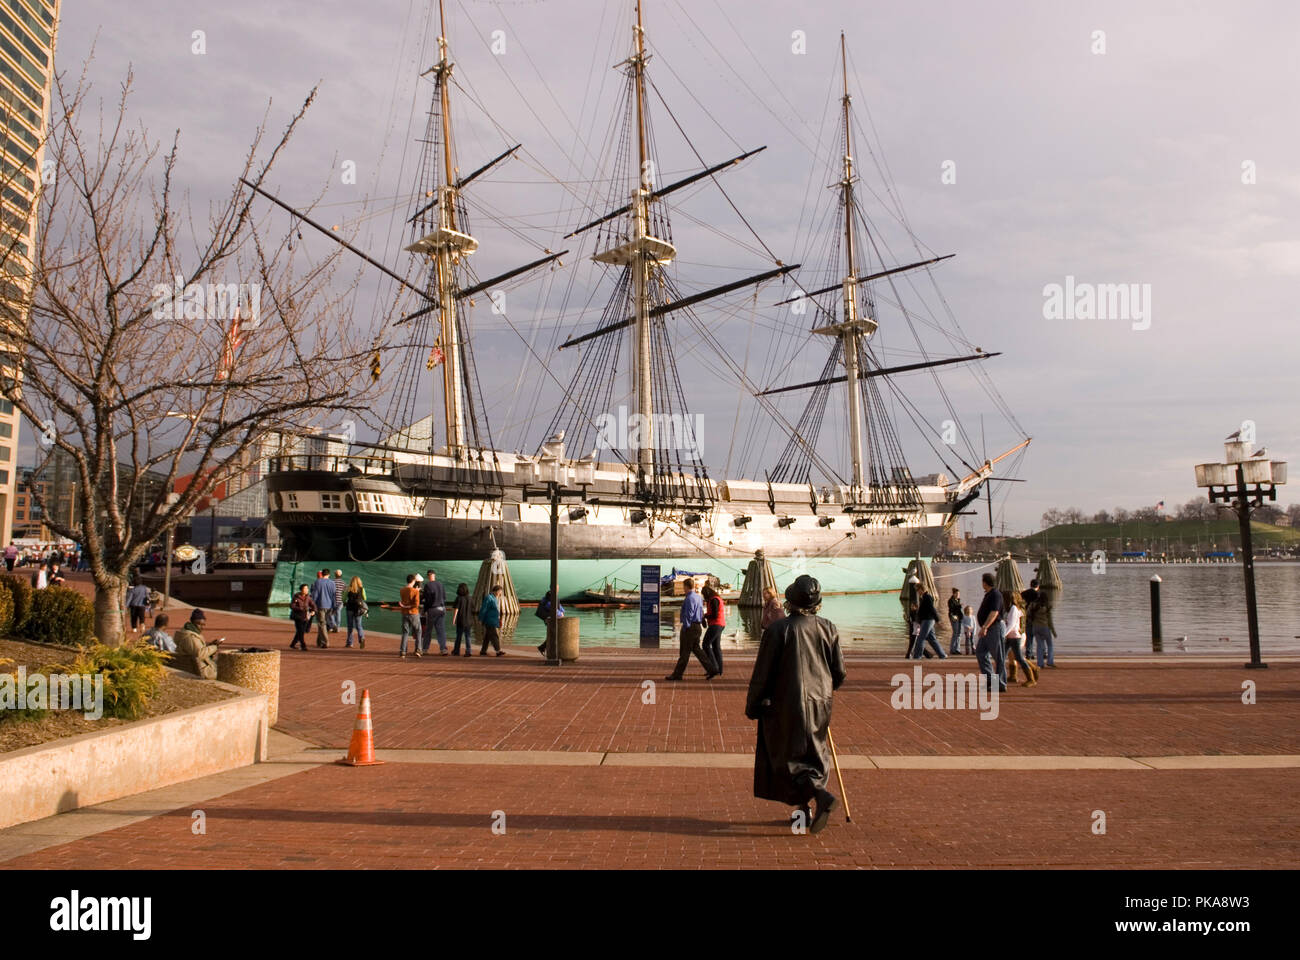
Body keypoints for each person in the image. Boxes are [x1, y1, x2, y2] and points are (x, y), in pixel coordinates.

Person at [745, 575, 846, 835]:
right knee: (814, 752)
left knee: (787, 758)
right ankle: (804, 810)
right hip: (821, 702)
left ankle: (820, 796)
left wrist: (753, 704)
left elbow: (763, 673)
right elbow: (840, 672)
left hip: (786, 704)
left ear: (790, 602)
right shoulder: (829, 627)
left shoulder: (778, 630)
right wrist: (826, 688)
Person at [664, 577, 718, 681]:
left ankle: (677, 674)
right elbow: (701, 611)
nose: (683, 589)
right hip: (697, 626)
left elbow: (689, 613)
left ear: (686, 586)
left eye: (683, 587)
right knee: (697, 649)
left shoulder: (689, 598)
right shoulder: (698, 597)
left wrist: (686, 626)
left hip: (690, 627)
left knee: (684, 651)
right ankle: (711, 669)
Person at [975, 573, 1007, 694]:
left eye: (982, 581)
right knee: (980, 652)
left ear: (985, 582)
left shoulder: (995, 594)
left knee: (998, 656)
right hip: (988, 629)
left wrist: (985, 626)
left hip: (994, 628)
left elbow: (994, 612)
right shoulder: (989, 594)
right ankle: (991, 680)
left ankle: (1001, 683)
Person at [174, 609, 221, 679]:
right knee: (225, 669)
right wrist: (214, 647)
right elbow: (200, 654)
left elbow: (197, 650)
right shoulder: (189, 637)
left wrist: (209, 646)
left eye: (203, 624)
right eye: (198, 624)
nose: (201, 627)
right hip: (202, 670)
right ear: (192, 622)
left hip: (196, 667)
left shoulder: (188, 633)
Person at [1003, 594, 1038, 687]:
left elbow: (1012, 624)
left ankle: (1031, 675)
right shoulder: (1015, 608)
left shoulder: (1014, 608)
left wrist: (1003, 634)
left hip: (1016, 636)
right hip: (1012, 636)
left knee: (1017, 657)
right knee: (1008, 656)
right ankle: (1012, 676)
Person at [909, 588, 947, 659]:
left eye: (918, 589)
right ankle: (942, 654)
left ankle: (917, 656)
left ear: (922, 589)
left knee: (921, 638)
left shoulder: (927, 597)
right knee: (931, 638)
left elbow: (932, 609)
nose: (917, 591)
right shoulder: (923, 598)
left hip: (928, 620)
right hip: (927, 620)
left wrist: (938, 620)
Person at [701, 583, 727, 677]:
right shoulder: (716, 598)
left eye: (704, 595)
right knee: (716, 647)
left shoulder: (714, 600)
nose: (704, 597)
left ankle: (713, 668)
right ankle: (719, 669)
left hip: (716, 625)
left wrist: (705, 615)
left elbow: (715, 615)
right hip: (720, 624)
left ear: (707, 594)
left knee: (705, 645)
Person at [421, 569, 447, 655]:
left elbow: (427, 600)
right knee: (441, 630)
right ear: (434, 575)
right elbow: (444, 597)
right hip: (442, 608)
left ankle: (425, 649)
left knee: (429, 630)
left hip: (432, 609)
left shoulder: (427, 585)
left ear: (428, 576)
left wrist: (424, 610)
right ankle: (443, 649)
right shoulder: (440, 584)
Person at [310, 569, 336, 648]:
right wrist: (334, 606)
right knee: (322, 623)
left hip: (320, 605)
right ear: (329, 574)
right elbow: (334, 595)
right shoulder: (332, 583)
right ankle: (319, 642)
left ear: (322, 574)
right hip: (329, 605)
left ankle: (325, 641)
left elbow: (315, 595)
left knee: (322, 624)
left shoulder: (318, 582)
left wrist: (312, 605)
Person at [398, 573, 422, 658]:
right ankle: (418, 650)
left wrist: (404, 606)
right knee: (418, 631)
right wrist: (417, 592)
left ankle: (403, 651)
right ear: (413, 581)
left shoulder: (402, 590)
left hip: (404, 613)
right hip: (413, 613)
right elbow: (416, 604)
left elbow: (405, 599)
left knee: (405, 632)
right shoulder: (415, 591)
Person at [478, 584, 505, 656]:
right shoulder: (489, 598)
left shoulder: (494, 598)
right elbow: (484, 609)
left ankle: (483, 651)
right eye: (500, 592)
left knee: (487, 636)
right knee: (494, 635)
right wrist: (480, 619)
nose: (500, 593)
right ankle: (498, 651)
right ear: (496, 591)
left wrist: (498, 618)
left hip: (493, 620)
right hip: (489, 620)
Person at [535, 590, 564, 657]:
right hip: (549, 619)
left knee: (553, 634)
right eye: (557, 588)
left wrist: (561, 612)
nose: (558, 590)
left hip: (550, 618)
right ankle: (544, 648)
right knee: (553, 634)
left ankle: (543, 647)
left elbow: (559, 607)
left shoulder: (552, 597)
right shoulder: (549, 598)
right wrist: (561, 614)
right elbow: (552, 607)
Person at [289, 583, 316, 651]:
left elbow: (313, 605)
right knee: (300, 631)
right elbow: (292, 606)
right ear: (301, 590)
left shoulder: (308, 597)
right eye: (305, 588)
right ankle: (303, 645)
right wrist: (300, 608)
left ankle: (293, 644)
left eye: (307, 588)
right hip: (298, 616)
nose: (306, 590)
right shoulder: (296, 597)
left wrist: (313, 611)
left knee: (301, 631)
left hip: (305, 617)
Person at [343, 575, 367, 649]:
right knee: (359, 626)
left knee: (350, 627)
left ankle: (350, 643)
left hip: (350, 608)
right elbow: (365, 598)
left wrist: (345, 601)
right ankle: (361, 638)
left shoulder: (348, 588)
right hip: (358, 609)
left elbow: (343, 598)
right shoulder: (361, 589)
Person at [452, 583, 473, 656]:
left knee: (458, 636)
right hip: (469, 620)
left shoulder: (459, 598)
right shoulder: (470, 598)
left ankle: (456, 651)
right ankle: (468, 651)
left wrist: (454, 620)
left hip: (461, 620)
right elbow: (472, 609)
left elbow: (456, 610)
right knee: (468, 636)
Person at [947, 588, 964, 655]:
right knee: (955, 633)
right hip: (954, 618)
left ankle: (957, 649)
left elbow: (958, 609)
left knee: (959, 634)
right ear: (953, 594)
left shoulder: (957, 600)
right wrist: (959, 606)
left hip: (959, 617)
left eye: (958, 594)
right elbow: (952, 609)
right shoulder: (951, 601)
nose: (958, 595)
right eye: (956, 593)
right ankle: (952, 649)